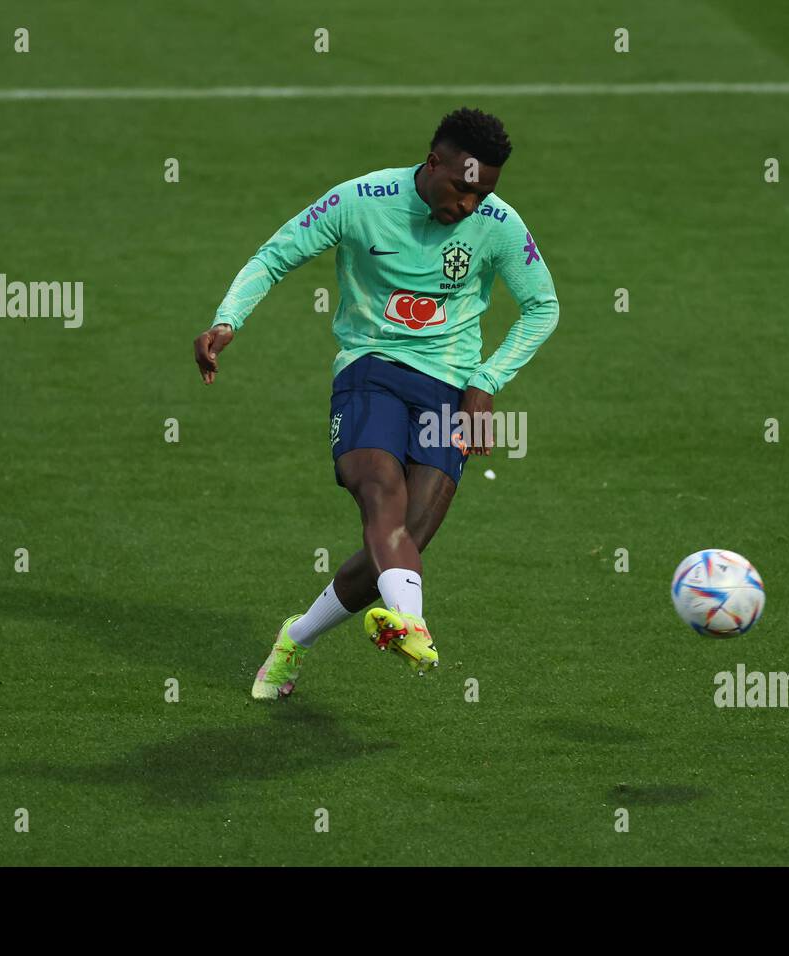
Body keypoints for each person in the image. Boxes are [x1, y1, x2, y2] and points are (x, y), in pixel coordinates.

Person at [193, 107, 559, 700]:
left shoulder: (498, 223)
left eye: (482, 193)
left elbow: (543, 306)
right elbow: (272, 257)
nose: (468, 205)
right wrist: (227, 321)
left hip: (448, 391)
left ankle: (297, 638)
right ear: (433, 162)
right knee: (378, 490)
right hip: (371, 371)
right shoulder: (361, 200)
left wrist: (486, 382)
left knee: (399, 546)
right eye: (461, 189)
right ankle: (412, 623)